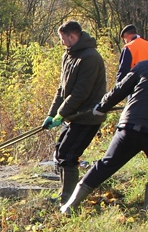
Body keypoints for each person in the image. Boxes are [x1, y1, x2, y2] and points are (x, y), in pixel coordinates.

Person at [61, 35, 148, 215]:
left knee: (106, 164)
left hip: (129, 127)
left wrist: (101, 107)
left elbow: (119, 89)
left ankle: (70, 205)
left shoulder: (145, 65)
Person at [42, 20, 108, 204]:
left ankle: (68, 200)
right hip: (73, 115)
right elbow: (62, 89)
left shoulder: (90, 58)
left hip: (88, 116)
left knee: (68, 155)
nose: (62, 42)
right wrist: (52, 113)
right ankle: (65, 195)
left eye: (63, 39)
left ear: (73, 36)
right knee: (61, 150)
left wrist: (61, 114)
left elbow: (81, 93)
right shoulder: (68, 56)